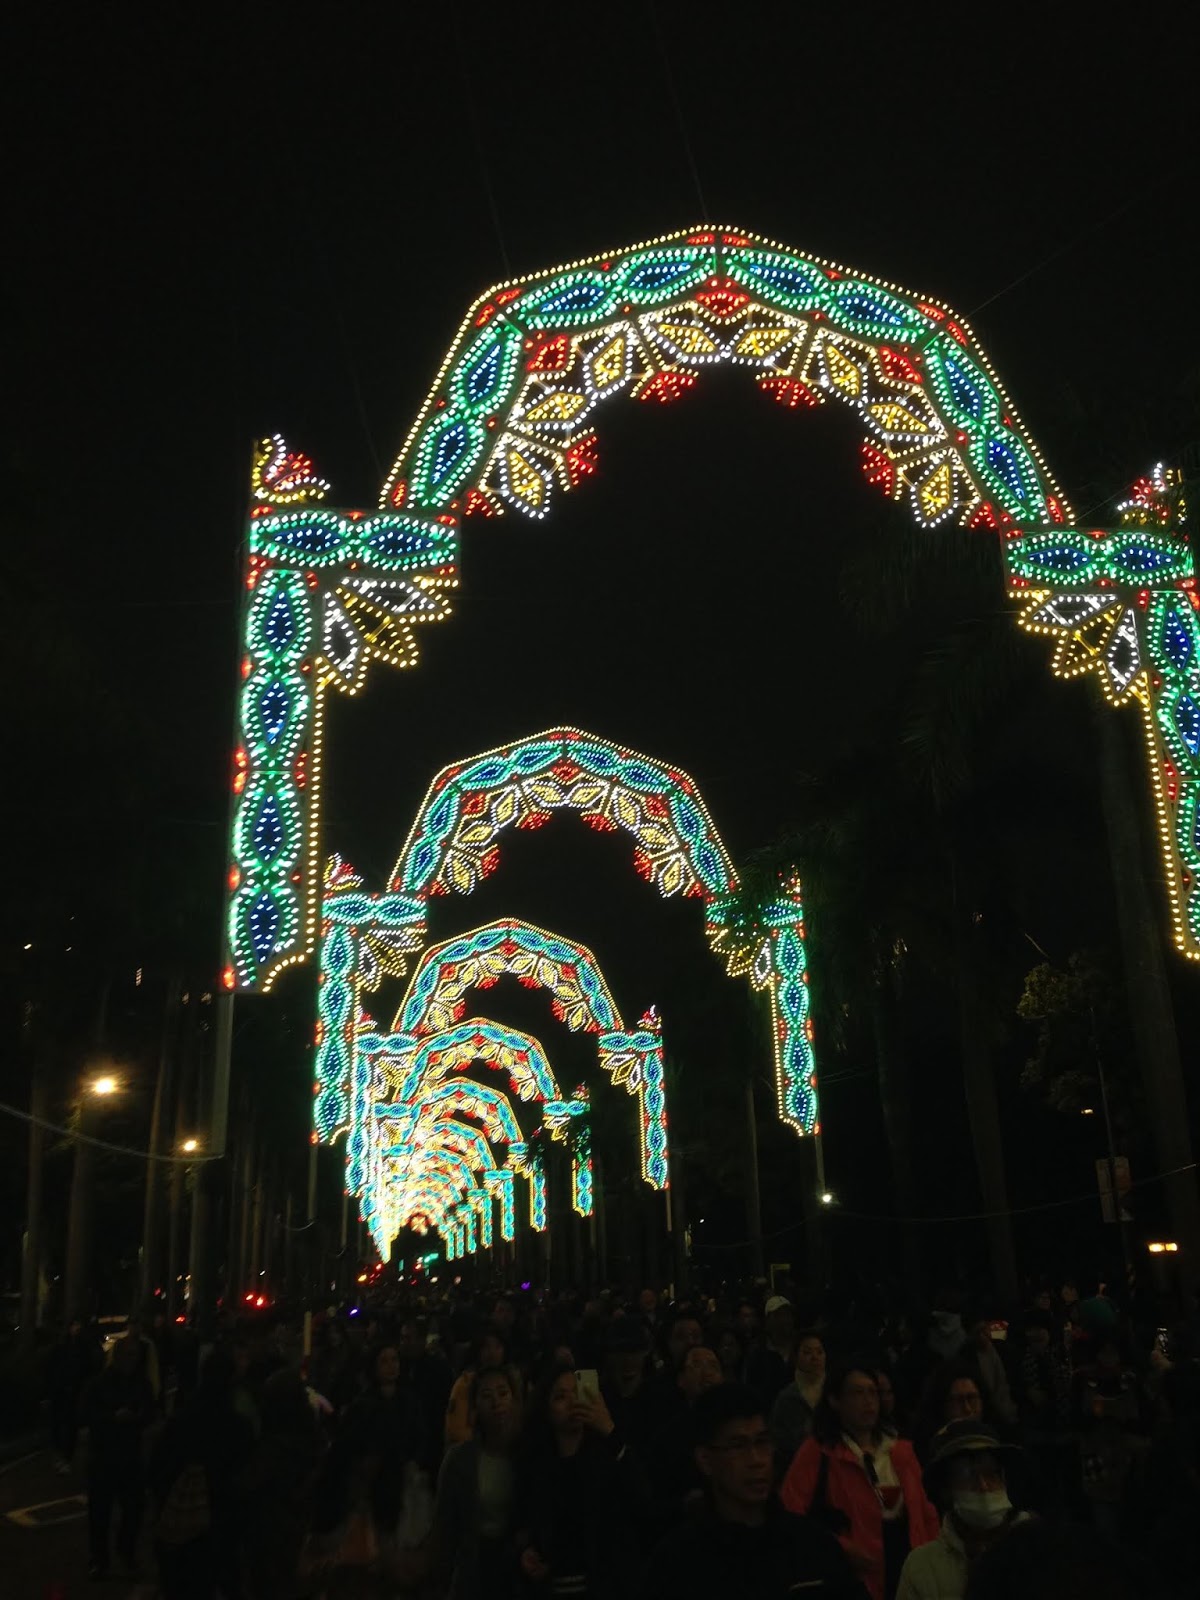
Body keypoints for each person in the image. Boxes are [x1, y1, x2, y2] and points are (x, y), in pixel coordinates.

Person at [643, 1382, 869, 1599]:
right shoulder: (679, 1562)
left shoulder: (811, 1546)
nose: (756, 1460)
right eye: (738, 1446)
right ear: (705, 1460)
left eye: (762, 1443)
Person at [781, 1363, 939, 1600]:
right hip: (853, 1576)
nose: (868, 1401)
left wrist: (930, 1558)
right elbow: (790, 1512)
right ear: (835, 1401)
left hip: (907, 1564)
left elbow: (926, 1512)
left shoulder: (900, 1451)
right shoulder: (819, 1451)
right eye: (857, 1393)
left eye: (872, 1392)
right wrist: (841, 1547)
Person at [514, 1364, 648, 1598]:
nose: (572, 1402)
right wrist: (528, 1552)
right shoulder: (536, 1464)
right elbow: (525, 1521)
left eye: (578, 1392)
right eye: (560, 1396)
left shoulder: (607, 1456)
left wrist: (608, 1429)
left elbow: (641, 1499)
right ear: (546, 1409)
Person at [894, 1421, 1029, 1599]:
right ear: (946, 1490)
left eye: (992, 1473)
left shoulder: (1036, 1546)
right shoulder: (923, 1566)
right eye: (968, 1475)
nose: (983, 1486)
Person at [435, 1364, 521, 1598]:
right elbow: (445, 1530)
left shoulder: (527, 1456)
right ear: (474, 1407)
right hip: (475, 1566)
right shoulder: (459, 1460)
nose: (497, 1403)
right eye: (486, 1396)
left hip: (517, 1567)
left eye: (503, 1393)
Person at [83, 1332, 156, 1580]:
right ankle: (99, 1558)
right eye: (127, 1355)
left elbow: (151, 1413)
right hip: (104, 1454)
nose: (131, 1360)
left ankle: (125, 1549)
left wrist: (137, 1418)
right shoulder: (100, 1384)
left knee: (133, 1509)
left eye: (134, 1355)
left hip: (129, 1454)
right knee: (100, 1512)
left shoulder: (141, 1384)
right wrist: (112, 1418)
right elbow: (86, 1415)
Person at [646, 1343, 726, 1531]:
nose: (707, 1372)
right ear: (681, 1380)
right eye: (697, 1365)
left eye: (713, 1365)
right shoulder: (667, 1438)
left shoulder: (739, 1428)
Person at [49, 1317, 102, 1474]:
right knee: (58, 1424)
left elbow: (89, 1367)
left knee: (71, 1425)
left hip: (75, 1391)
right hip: (61, 1391)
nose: (76, 1329)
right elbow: (53, 1367)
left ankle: (66, 1457)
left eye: (79, 1325)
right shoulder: (61, 1347)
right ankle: (60, 1454)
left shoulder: (83, 1347)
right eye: (74, 1325)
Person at [770, 1329, 827, 1474]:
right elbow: (779, 1441)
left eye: (819, 1352)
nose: (814, 1357)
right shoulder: (787, 1398)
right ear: (796, 1357)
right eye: (807, 1352)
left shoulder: (835, 1393)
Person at [748, 1295, 797, 1409]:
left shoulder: (801, 1347)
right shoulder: (757, 1352)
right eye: (779, 1315)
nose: (785, 1320)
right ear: (768, 1320)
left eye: (788, 1314)